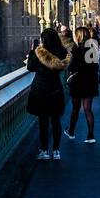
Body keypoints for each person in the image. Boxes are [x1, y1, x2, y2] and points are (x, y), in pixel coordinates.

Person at [26, 27, 72, 161]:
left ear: (43, 40)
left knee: (43, 122)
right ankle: (56, 151)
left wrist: (32, 50)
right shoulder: (62, 52)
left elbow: (30, 67)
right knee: (56, 121)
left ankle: (45, 150)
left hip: (41, 90)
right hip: (56, 89)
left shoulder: (40, 52)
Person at [64, 27, 100, 143]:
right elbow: (94, 67)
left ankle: (71, 132)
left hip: (78, 82)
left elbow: (71, 67)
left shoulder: (77, 49)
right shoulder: (92, 48)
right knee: (88, 109)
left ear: (78, 36)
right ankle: (91, 135)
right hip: (89, 81)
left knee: (75, 108)